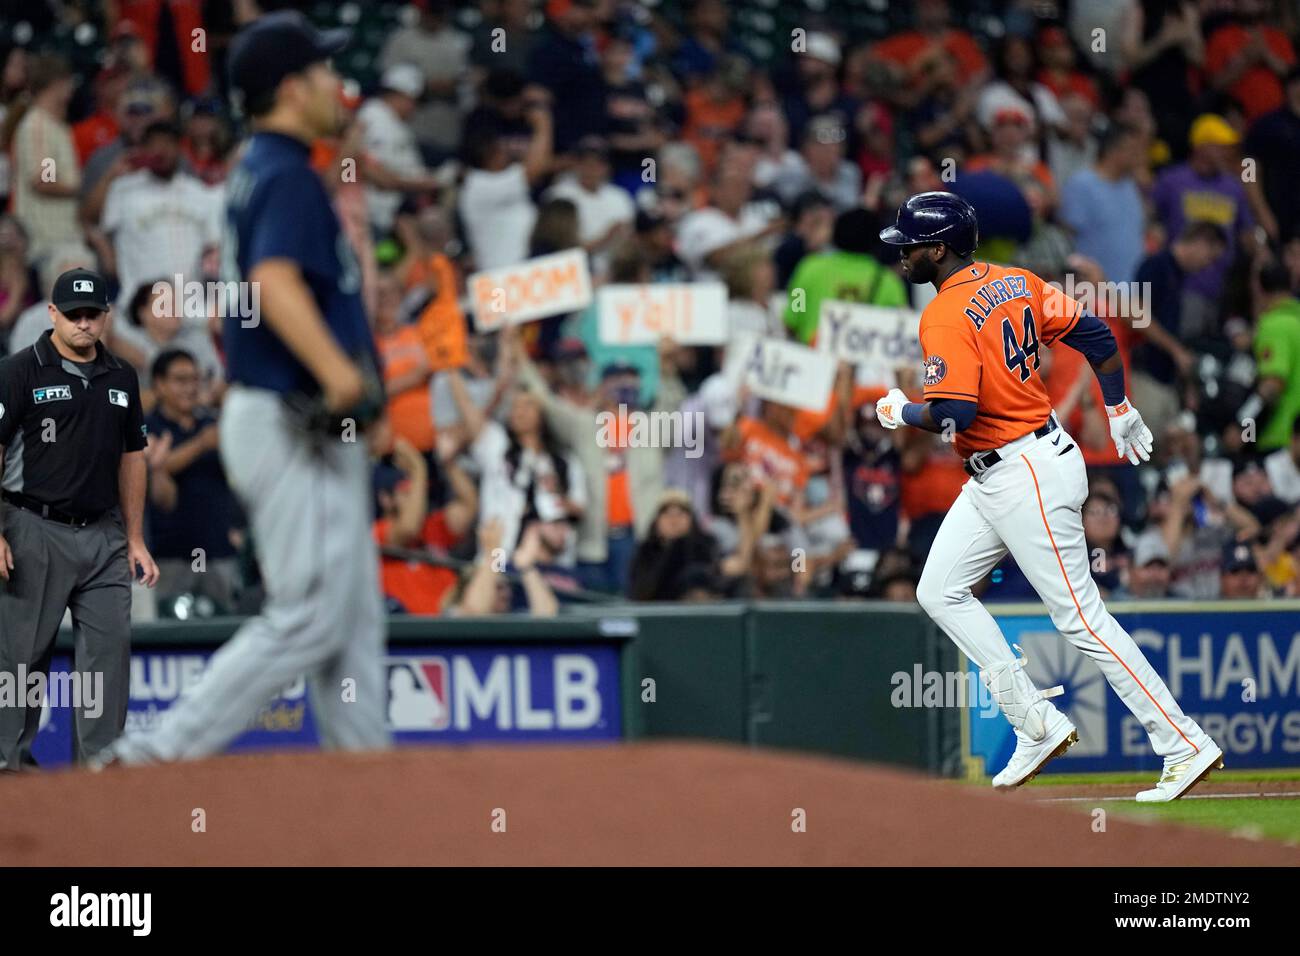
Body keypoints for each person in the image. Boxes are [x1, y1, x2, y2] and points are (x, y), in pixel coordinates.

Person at [98, 11, 390, 767]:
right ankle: (154, 758)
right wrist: (339, 376)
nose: (336, 84)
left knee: (353, 624)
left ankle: (374, 791)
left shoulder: (265, 167)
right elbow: (273, 283)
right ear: (292, 87)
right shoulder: (286, 171)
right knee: (313, 619)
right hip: (292, 421)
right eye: (323, 72)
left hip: (291, 421)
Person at [874, 190, 1223, 802]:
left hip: (1023, 470)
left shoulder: (944, 314)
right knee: (938, 590)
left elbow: (956, 410)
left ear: (937, 247)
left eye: (909, 245)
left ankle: (1183, 742)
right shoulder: (1015, 280)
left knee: (1081, 617)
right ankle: (1034, 720)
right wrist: (1117, 403)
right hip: (1008, 467)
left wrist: (900, 410)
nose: (901, 254)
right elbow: (1092, 333)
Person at [0, 268, 158, 770]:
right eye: (74, 315)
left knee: (108, 660)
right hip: (31, 527)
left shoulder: (122, 376)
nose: (84, 324)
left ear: (106, 317)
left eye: (93, 314)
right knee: (20, 661)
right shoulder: (19, 370)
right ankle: (9, 767)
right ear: (52, 314)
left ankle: (99, 771)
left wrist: (134, 537)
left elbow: (133, 456)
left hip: (104, 533)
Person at [142, 348, 240, 610]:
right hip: (169, 555)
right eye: (181, 380)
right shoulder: (146, 426)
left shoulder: (213, 423)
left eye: (196, 380)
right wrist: (200, 445)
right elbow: (155, 466)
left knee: (225, 628)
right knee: (169, 635)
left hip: (218, 551)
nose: (191, 387)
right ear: (159, 385)